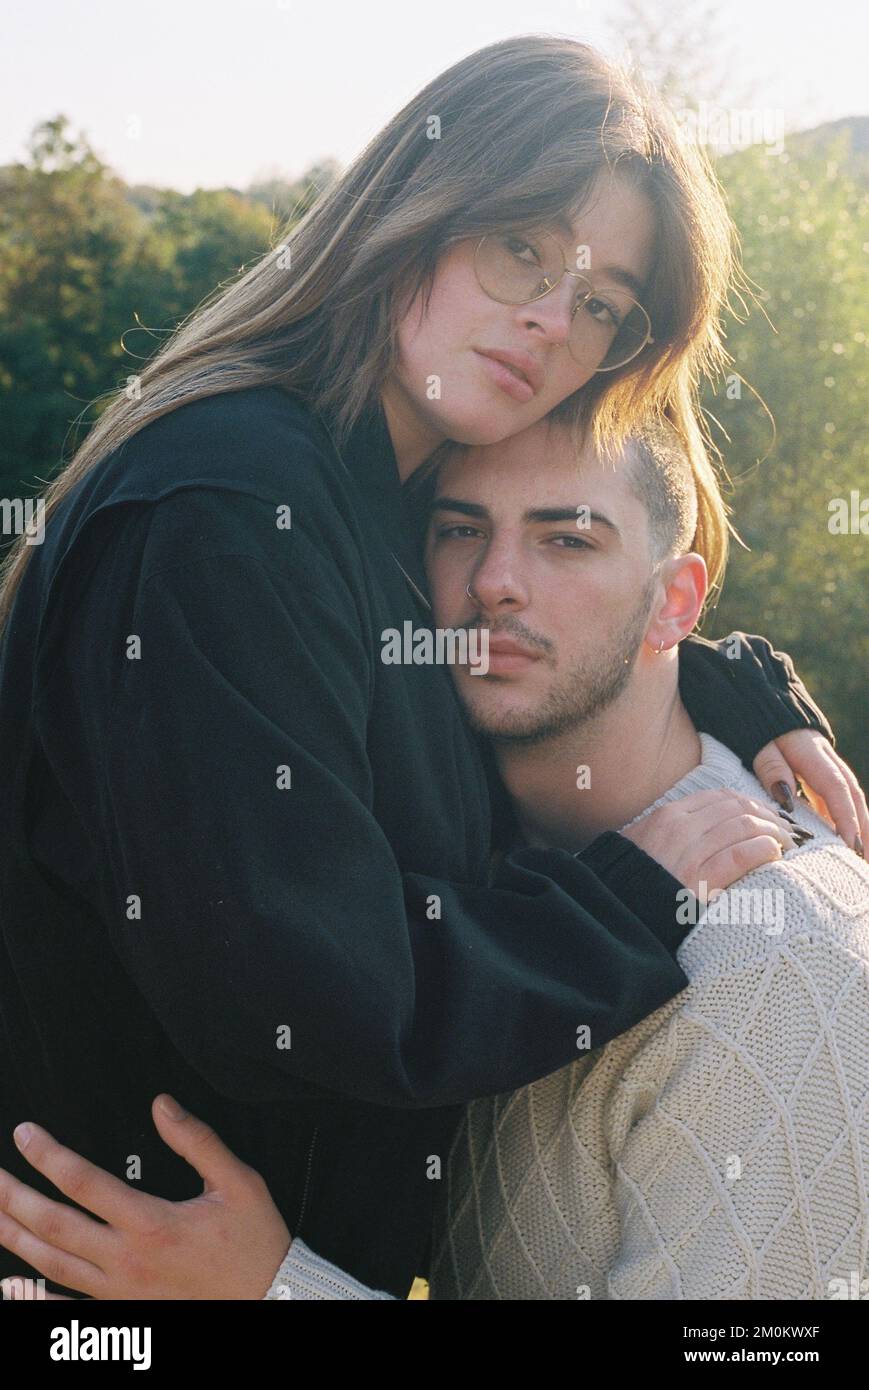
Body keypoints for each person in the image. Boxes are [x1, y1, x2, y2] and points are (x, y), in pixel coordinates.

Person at [0, 36, 864, 1302]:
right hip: (103, 1280)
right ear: (415, 203)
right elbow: (311, 991)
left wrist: (724, 689)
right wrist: (634, 893)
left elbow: (496, 645)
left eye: (602, 303)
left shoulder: (369, 491)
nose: (550, 321)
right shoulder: (234, 503)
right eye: (522, 246)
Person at [2, 417, 866, 1304]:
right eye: (459, 531)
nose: (494, 584)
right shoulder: (445, 853)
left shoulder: (782, 963)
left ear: (675, 603)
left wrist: (270, 1294)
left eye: (566, 540)